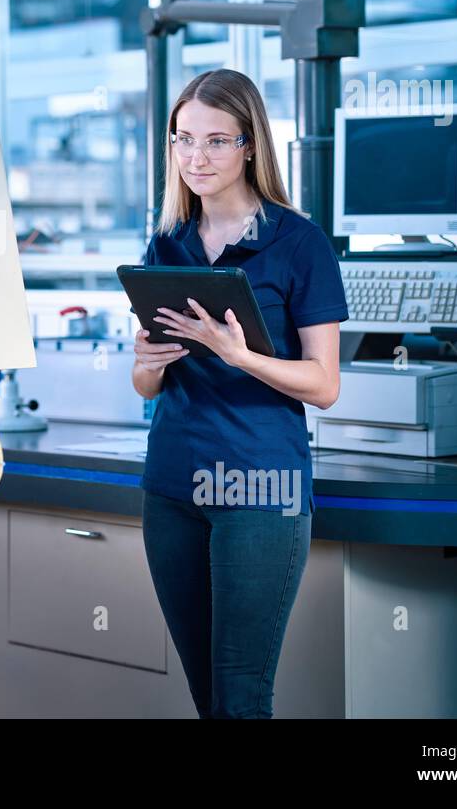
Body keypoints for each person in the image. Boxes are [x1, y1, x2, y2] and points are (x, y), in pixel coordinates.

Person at [132, 68, 348, 719]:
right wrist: (145, 361)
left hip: (258, 484)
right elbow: (147, 383)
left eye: (217, 141)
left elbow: (325, 383)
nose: (196, 156)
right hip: (172, 485)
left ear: (250, 145)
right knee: (208, 695)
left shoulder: (299, 244)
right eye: (184, 139)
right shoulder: (165, 244)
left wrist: (240, 355)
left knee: (241, 693)